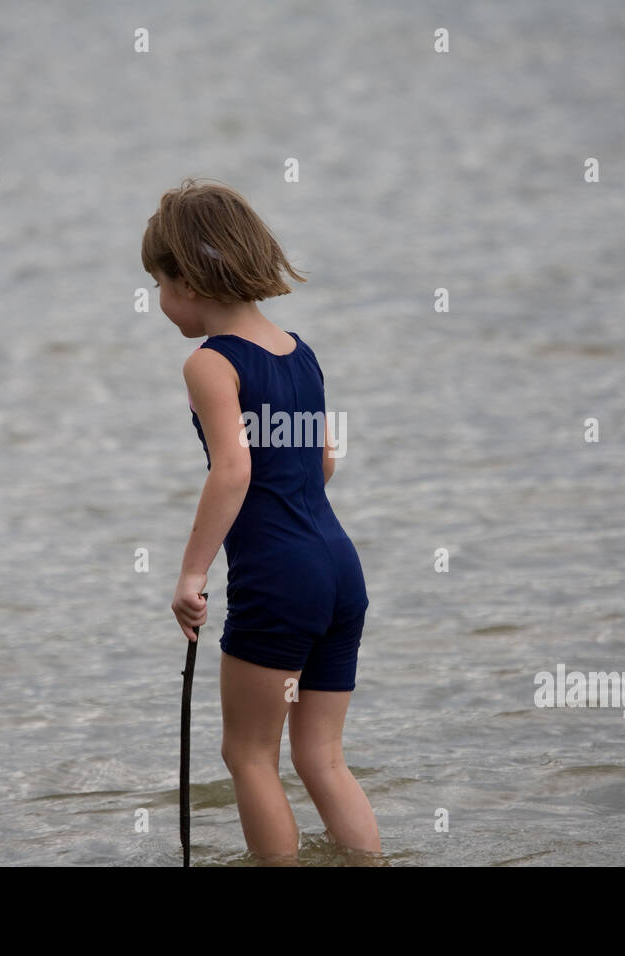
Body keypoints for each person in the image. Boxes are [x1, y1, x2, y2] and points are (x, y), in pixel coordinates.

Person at [143, 177, 380, 862]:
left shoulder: (210, 363)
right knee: (323, 757)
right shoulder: (299, 351)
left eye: (158, 282)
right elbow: (325, 461)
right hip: (338, 570)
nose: (159, 300)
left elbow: (234, 469)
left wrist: (191, 574)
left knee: (248, 755)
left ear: (186, 279)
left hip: (278, 579)